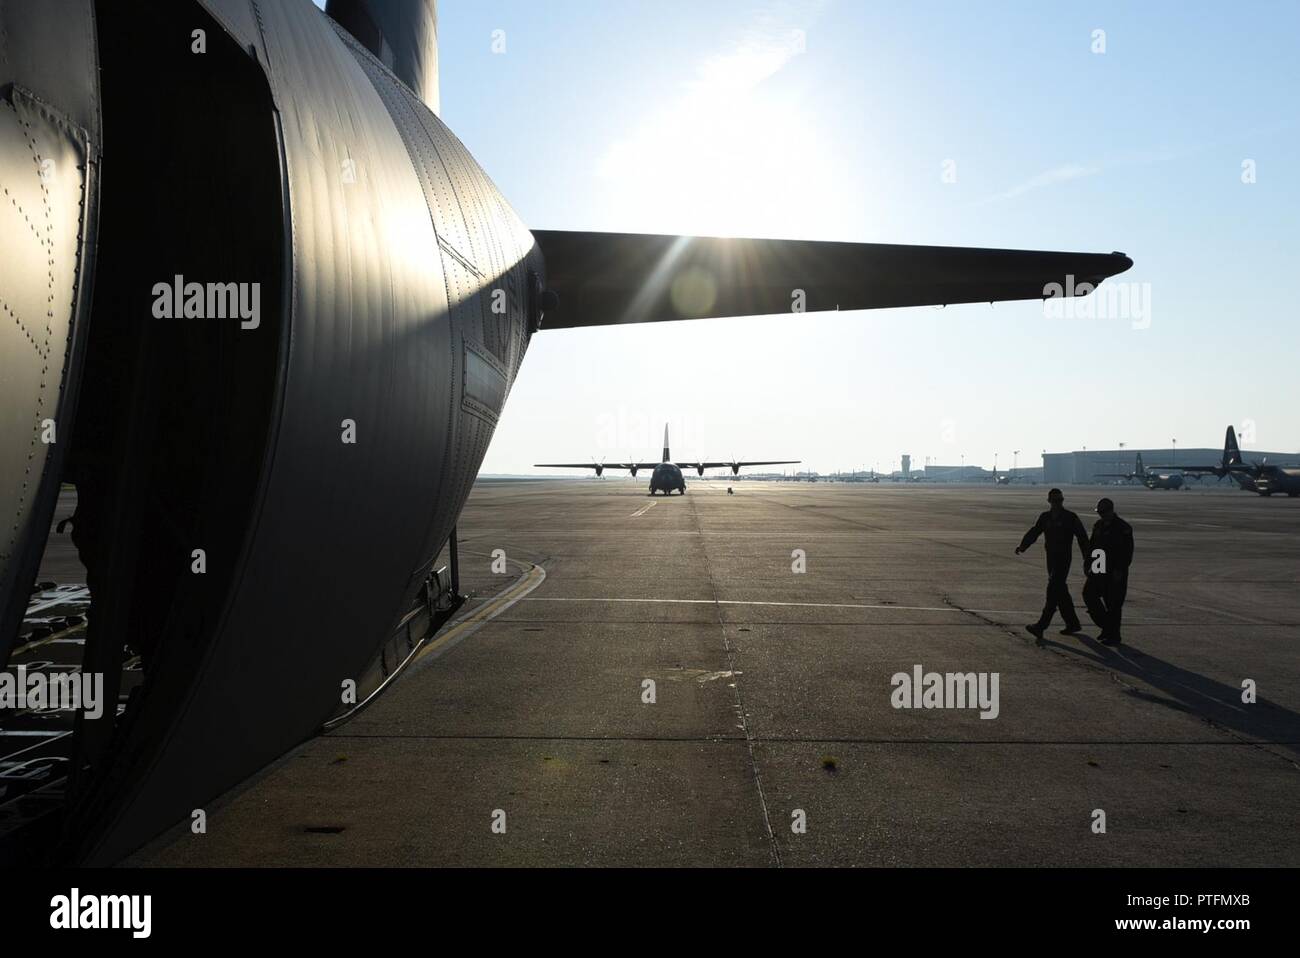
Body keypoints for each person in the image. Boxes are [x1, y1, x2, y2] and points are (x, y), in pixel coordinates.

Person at [1015, 488, 1090, 641]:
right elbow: (1035, 532)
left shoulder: (1070, 517)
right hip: (1051, 559)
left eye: (1060, 500)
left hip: (1063, 560)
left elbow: (1083, 538)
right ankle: (1073, 623)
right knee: (1060, 591)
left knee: (1053, 590)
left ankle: (1041, 625)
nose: (1058, 503)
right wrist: (1023, 546)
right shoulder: (1045, 517)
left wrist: (1088, 561)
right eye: (1055, 501)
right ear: (1049, 501)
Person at [1083, 497, 1134, 646]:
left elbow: (1127, 552)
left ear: (1111, 510)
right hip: (1099, 567)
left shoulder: (1123, 528)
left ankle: (1113, 635)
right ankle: (1106, 626)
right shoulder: (1098, 525)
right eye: (1099, 512)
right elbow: (1092, 546)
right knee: (1088, 595)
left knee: (1113, 604)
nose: (1101, 515)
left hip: (1115, 571)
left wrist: (1120, 570)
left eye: (1104, 512)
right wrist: (1088, 564)